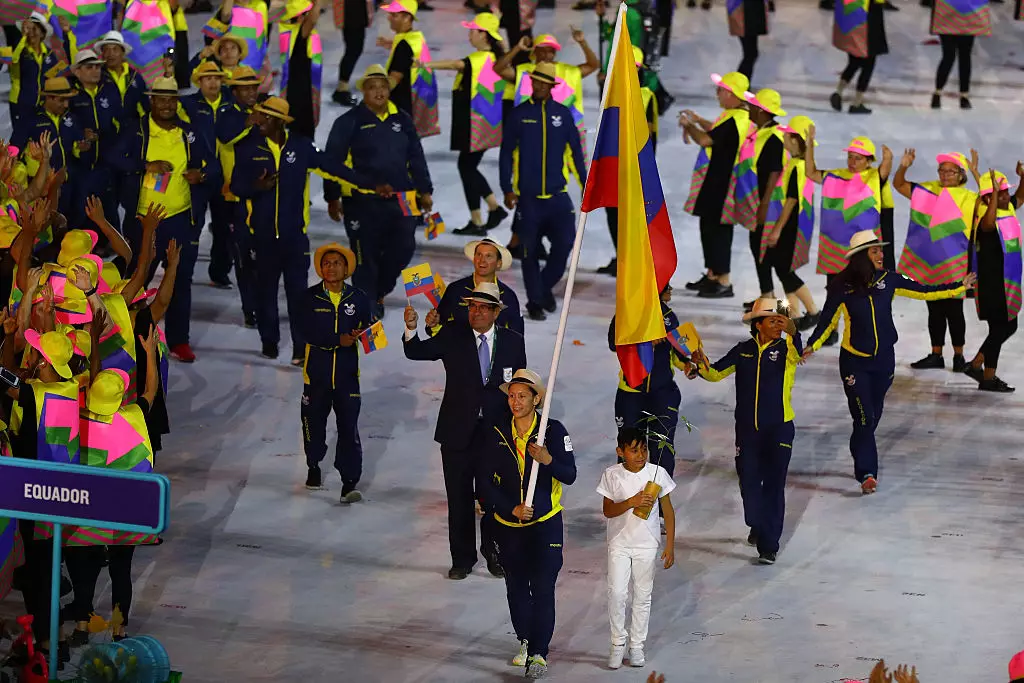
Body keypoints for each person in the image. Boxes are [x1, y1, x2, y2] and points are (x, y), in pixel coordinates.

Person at [803, 230, 975, 494]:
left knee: (870, 420)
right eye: (875, 251)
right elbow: (827, 321)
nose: (882, 254)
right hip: (854, 363)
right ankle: (867, 473)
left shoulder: (889, 279)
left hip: (884, 362)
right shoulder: (841, 286)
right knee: (863, 419)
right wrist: (811, 346)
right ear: (862, 256)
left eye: (881, 250)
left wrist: (959, 287)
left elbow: (925, 292)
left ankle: (859, 447)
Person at [403, 282, 527, 580]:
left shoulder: (513, 341)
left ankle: (494, 552)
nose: (476, 312)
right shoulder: (453, 334)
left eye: (484, 307)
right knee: (458, 498)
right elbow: (417, 352)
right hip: (457, 431)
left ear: (496, 312)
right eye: (472, 306)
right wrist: (411, 329)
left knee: (494, 498)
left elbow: (520, 384)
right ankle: (461, 559)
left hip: (496, 434)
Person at [110, 76, 218, 364]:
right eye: (161, 99)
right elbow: (113, 157)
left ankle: (179, 341)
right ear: (151, 101)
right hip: (143, 220)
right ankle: (125, 333)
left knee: (180, 279)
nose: (167, 104)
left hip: (180, 219)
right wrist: (145, 166)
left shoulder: (189, 132)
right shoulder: (137, 130)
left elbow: (214, 164)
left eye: (171, 99)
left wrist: (202, 175)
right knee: (136, 278)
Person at [477, 368, 575, 679]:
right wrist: (511, 508)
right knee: (516, 587)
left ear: (536, 399)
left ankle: (539, 653)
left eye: (522, 396)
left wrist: (547, 460)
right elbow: (484, 485)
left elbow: (570, 475)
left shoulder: (555, 432)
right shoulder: (495, 432)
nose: (515, 402)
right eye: (512, 396)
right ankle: (525, 640)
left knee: (543, 587)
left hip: (545, 523)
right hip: (509, 525)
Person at [689, 298, 800, 564]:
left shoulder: (787, 350)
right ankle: (756, 522)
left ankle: (769, 545)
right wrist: (699, 364)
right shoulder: (743, 350)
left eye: (781, 321)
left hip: (779, 429)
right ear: (757, 324)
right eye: (772, 320)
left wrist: (794, 330)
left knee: (774, 486)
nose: (778, 325)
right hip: (747, 430)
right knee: (748, 481)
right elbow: (715, 373)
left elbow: (798, 349)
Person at [231, 97, 338, 364]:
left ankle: (300, 348)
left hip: (294, 238)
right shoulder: (247, 147)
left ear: (280, 121)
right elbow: (235, 187)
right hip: (263, 237)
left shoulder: (300, 147)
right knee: (265, 292)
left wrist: (371, 183)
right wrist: (257, 187)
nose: (260, 121)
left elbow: (333, 168)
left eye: (266, 117)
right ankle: (269, 341)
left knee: (298, 295)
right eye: (260, 115)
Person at [323, 64, 434, 320]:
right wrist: (332, 197)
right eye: (372, 87)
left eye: (383, 87)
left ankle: (379, 290)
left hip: (402, 199)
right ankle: (368, 304)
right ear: (363, 91)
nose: (379, 92)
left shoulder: (402, 119)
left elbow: (416, 156)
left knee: (404, 248)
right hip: (361, 201)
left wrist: (424, 190)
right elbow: (332, 162)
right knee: (366, 255)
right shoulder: (348, 122)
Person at [499, 63, 586, 322]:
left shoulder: (563, 115)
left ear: (551, 87)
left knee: (565, 244)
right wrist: (507, 188)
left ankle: (542, 288)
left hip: (558, 196)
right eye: (534, 81)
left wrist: (586, 183)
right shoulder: (518, 115)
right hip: (528, 198)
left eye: (542, 83)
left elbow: (576, 152)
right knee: (529, 252)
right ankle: (535, 301)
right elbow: (506, 154)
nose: (537, 86)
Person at [892, 149, 980, 372]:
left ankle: (959, 356)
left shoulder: (969, 198)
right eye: (942, 171)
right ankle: (936, 354)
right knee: (934, 310)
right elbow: (899, 185)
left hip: (954, 264)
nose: (945, 175)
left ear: (961, 175)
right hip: (928, 264)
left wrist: (977, 173)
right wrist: (903, 166)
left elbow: (989, 199)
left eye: (951, 172)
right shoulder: (925, 190)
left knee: (954, 310)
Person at [598, 427, 675, 670]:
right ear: (620, 452)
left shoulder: (657, 473)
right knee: (618, 593)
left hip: (647, 544)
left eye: (644, 449)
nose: (640, 455)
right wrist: (631, 502)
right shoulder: (612, 475)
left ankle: (637, 645)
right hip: (619, 543)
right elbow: (608, 511)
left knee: (643, 596)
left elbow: (668, 511)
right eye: (634, 450)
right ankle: (617, 644)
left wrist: (670, 544)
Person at [300, 242, 372, 500]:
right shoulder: (308, 298)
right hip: (316, 377)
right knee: (313, 426)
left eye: (337, 263)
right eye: (326, 263)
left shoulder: (359, 299)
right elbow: (305, 332)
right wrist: (337, 339)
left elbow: (370, 330)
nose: (331, 268)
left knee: (349, 429)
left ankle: (349, 482)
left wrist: (365, 334)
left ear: (347, 269)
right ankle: (313, 465)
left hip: (348, 378)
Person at [429, 12, 507, 236]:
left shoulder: (480, 59)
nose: (470, 34)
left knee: (466, 166)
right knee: (467, 166)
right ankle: (491, 209)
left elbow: (456, 64)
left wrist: (424, 64)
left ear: (485, 35)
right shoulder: (492, 58)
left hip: (475, 123)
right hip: (485, 123)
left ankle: (479, 219)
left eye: (473, 30)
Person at [679, 71, 754, 299]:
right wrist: (699, 120)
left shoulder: (735, 119)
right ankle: (713, 275)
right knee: (709, 227)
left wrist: (688, 125)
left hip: (723, 182)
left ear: (732, 94)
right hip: (717, 180)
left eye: (720, 90)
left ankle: (723, 281)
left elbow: (705, 140)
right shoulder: (736, 116)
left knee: (718, 230)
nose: (717, 94)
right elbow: (718, 131)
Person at [608, 285, 689, 477]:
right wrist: (643, 340)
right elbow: (614, 343)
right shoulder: (628, 312)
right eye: (667, 285)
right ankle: (629, 501)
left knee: (662, 451)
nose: (671, 289)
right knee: (630, 450)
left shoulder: (669, 316)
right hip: (631, 393)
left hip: (663, 394)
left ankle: (661, 504)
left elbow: (679, 351)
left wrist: (689, 364)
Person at [805, 129, 894, 294]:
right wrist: (809, 146)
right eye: (850, 157)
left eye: (858, 158)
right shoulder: (835, 175)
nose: (852, 162)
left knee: (859, 296)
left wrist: (888, 158)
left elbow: (885, 169)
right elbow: (811, 173)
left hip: (861, 251)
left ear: (868, 161)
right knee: (834, 294)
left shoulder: (874, 177)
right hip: (835, 251)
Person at [962, 168, 1024, 393]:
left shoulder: (1006, 208)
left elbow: (1022, 196)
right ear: (988, 198)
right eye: (1001, 193)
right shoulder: (985, 221)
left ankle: (978, 366)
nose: (1007, 196)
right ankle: (987, 376)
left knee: (1005, 327)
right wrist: (994, 196)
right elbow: (989, 223)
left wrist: (1022, 177)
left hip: (1006, 283)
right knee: (1001, 328)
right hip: (992, 284)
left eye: (1006, 192)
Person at [179, 61, 234, 290]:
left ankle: (220, 272)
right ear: (199, 82)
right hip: (198, 177)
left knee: (224, 228)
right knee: (192, 227)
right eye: (207, 78)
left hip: (226, 179)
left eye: (216, 78)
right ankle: (184, 272)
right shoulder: (188, 105)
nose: (212, 82)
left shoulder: (232, 104)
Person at [216, 66, 263, 327]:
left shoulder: (262, 113)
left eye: (254, 87)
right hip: (233, 199)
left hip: (262, 196)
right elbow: (225, 136)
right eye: (246, 88)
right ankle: (250, 307)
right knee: (243, 256)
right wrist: (250, 122)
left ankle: (260, 301)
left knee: (263, 254)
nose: (252, 93)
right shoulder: (227, 115)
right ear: (234, 91)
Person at [735, 88, 785, 309]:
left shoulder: (774, 137)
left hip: (770, 203)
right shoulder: (761, 131)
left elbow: (774, 173)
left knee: (763, 249)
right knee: (757, 247)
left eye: (753, 106)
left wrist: (764, 205)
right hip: (758, 199)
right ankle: (767, 295)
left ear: (763, 111)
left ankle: (774, 300)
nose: (749, 109)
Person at [10, 77, 84, 219]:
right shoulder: (30, 120)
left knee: (67, 222)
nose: (66, 104)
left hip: (68, 183)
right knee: (45, 225)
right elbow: (14, 151)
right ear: (49, 98)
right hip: (40, 187)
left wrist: (81, 148)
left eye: (68, 100)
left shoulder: (71, 118)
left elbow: (76, 148)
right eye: (62, 100)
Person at [67, 49, 123, 235]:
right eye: (89, 67)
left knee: (109, 205)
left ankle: (111, 244)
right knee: (81, 207)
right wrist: (79, 135)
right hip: (81, 163)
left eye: (97, 67)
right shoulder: (71, 95)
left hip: (107, 160)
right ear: (77, 71)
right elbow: (65, 121)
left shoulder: (108, 89)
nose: (95, 71)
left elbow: (119, 118)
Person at [428, 238, 524, 336]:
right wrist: (433, 325)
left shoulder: (508, 296)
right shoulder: (455, 289)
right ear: (474, 259)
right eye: (479, 255)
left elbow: (517, 338)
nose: (482, 260)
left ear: (498, 263)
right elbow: (436, 332)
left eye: (489, 256)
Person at [378, 0, 440, 138]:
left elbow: (394, 78)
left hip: (402, 107)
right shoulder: (416, 37)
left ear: (407, 18)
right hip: (417, 103)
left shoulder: (404, 46)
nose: (389, 18)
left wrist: (374, 96)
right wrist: (391, 44)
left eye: (394, 15)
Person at [8, 13, 73, 135]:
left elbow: (54, 74)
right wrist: (23, 38)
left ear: (42, 33)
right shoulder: (20, 50)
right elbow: (13, 60)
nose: (30, 32)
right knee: (21, 136)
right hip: (21, 102)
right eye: (28, 29)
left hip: (42, 104)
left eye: (34, 29)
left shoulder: (48, 54)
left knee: (39, 137)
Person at [830, 0, 889, 114]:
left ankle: (838, 91)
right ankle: (856, 103)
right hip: (869, 15)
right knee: (869, 61)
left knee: (854, 60)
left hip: (851, 16)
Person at [929, 0, 990, 109]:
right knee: (951, 56)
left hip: (962, 13)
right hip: (951, 13)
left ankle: (961, 95)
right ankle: (940, 93)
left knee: (961, 56)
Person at [278, 0, 323, 139]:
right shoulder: (298, 34)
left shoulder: (290, 34)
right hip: (300, 95)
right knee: (302, 135)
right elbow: (313, 20)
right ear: (299, 17)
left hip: (298, 90)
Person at [94, 30, 148, 123]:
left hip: (134, 130)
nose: (110, 54)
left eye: (115, 49)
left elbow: (145, 106)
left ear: (123, 53)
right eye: (106, 49)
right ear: (102, 54)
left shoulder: (135, 77)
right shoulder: (97, 77)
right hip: (106, 132)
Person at [331, 0, 372, 107]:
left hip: (358, 9)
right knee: (353, 50)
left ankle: (342, 86)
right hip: (350, 11)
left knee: (355, 49)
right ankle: (341, 89)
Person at [729, 0, 769, 79]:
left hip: (750, 9)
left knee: (751, 54)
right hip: (744, 10)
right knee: (750, 54)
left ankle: (739, 85)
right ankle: (738, 85)